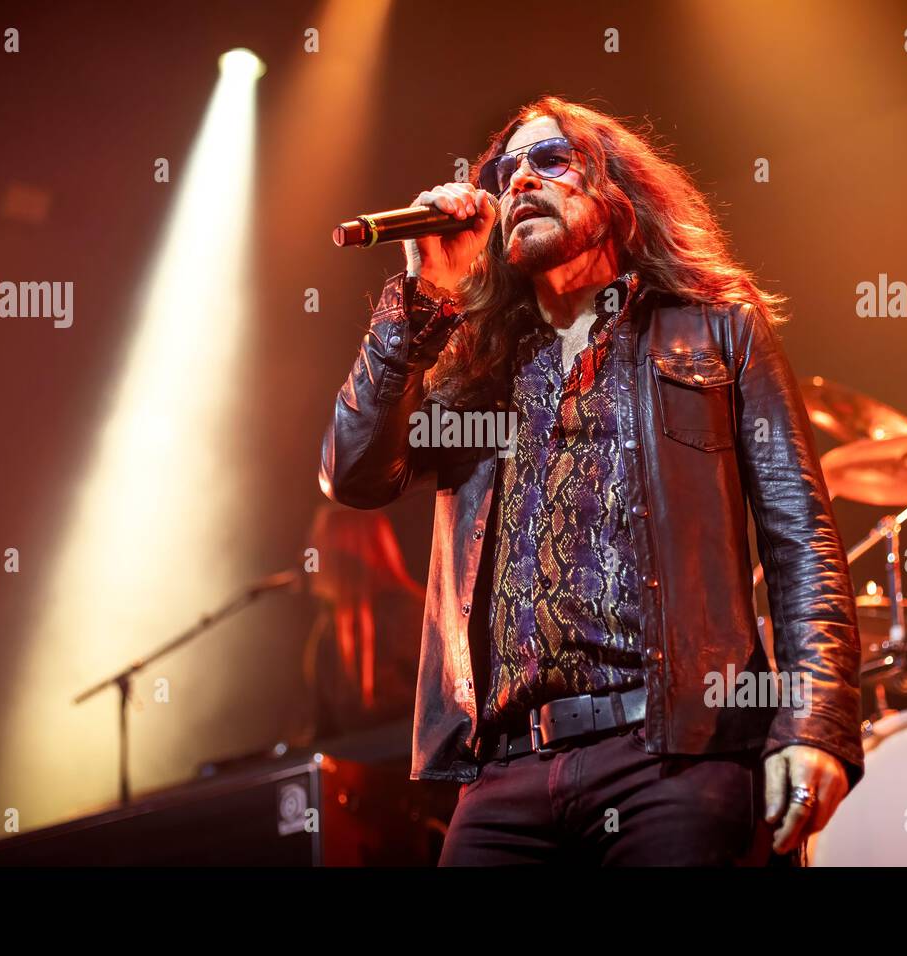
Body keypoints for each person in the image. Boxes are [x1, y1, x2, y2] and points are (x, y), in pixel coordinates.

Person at [319, 96, 862, 865]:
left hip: (675, 756)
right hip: (503, 775)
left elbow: (802, 539)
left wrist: (814, 724)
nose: (520, 184)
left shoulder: (714, 328)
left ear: (615, 190)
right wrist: (425, 302)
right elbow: (352, 474)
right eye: (505, 174)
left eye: (550, 161)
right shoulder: (476, 373)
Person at [297, 503, 425, 742]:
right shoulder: (327, 635)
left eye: (315, 551)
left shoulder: (413, 616)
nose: (307, 561)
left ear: (343, 555)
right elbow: (323, 730)